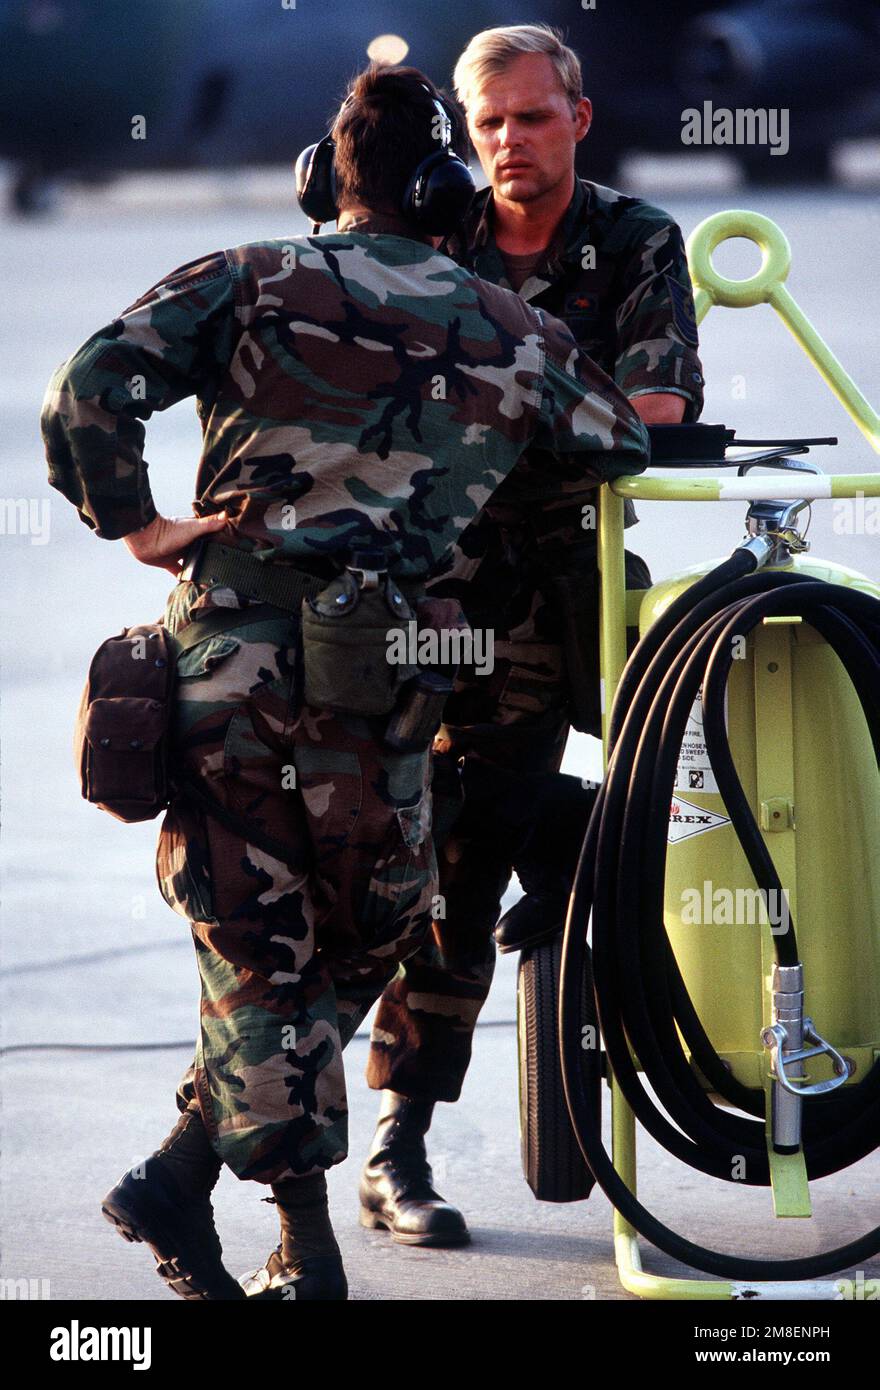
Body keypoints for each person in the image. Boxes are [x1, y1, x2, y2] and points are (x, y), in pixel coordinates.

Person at [41, 62, 648, 1300]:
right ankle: (289, 1244)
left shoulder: (247, 275)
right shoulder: (507, 322)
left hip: (232, 670)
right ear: (441, 188)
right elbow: (619, 444)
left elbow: (85, 391)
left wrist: (140, 524)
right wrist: (468, 467)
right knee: (357, 934)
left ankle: (188, 1184)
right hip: (389, 683)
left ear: (325, 182)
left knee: (268, 953)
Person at [362, 24, 705, 1246]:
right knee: (422, 855)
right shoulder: (427, 230)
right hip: (424, 602)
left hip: (560, 598)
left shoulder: (632, 239)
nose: (510, 140)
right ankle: (394, 1144)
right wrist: (556, 414)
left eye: (533, 115)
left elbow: (659, 405)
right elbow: (358, 389)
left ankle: (429, 1123)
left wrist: (473, 422)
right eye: (490, 121)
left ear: (580, 116)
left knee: (538, 841)